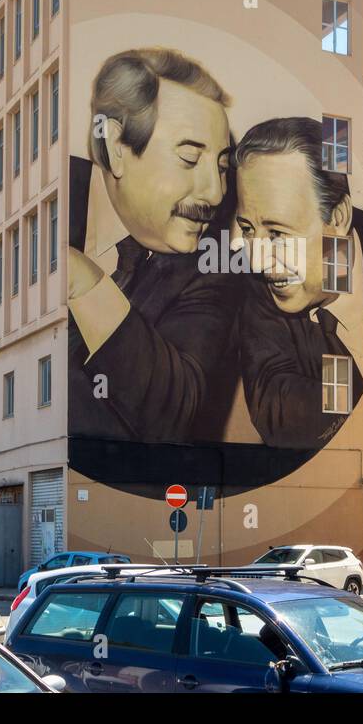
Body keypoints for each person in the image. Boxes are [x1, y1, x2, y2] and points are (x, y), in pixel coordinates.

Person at [66, 48, 242, 443]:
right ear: (115, 148)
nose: (214, 193)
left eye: (222, 166)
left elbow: (177, 411)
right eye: (189, 157)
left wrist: (88, 285)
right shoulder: (42, 201)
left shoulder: (213, 267)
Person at [230, 117, 363, 449]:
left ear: (337, 218)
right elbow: (282, 417)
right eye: (248, 230)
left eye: (277, 234)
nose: (259, 261)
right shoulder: (258, 293)